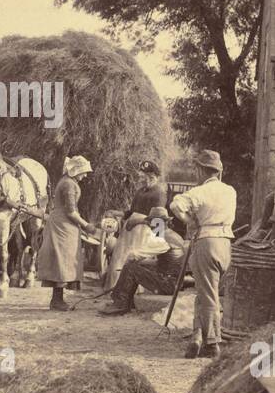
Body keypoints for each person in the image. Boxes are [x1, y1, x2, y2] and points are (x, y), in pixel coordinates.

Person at [168, 150, 236, 359]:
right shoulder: (230, 191)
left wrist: (189, 221)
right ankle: (197, 338)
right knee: (206, 292)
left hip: (206, 241)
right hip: (225, 244)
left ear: (200, 170)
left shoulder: (200, 191)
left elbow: (175, 204)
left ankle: (213, 342)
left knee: (208, 295)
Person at [35, 155, 101, 312]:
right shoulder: (68, 185)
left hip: (64, 224)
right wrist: (87, 226)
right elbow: (71, 212)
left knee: (63, 260)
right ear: (76, 170)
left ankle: (57, 299)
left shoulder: (67, 181)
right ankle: (56, 301)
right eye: (84, 172)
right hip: (63, 225)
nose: (85, 175)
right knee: (62, 260)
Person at [99, 207, 187, 315]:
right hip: (175, 283)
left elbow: (134, 255)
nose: (150, 226)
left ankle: (120, 303)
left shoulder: (161, 238)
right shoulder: (173, 235)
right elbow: (166, 263)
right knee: (136, 266)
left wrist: (129, 265)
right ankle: (126, 301)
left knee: (131, 267)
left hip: (168, 285)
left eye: (152, 223)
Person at [104, 160, 167, 289]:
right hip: (129, 231)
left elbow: (159, 218)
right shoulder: (140, 192)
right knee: (120, 257)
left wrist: (158, 239)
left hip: (144, 232)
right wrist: (117, 213)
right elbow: (131, 212)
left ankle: (131, 290)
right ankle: (115, 287)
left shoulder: (159, 193)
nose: (142, 180)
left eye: (145, 177)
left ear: (153, 177)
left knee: (135, 259)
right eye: (142, 177)